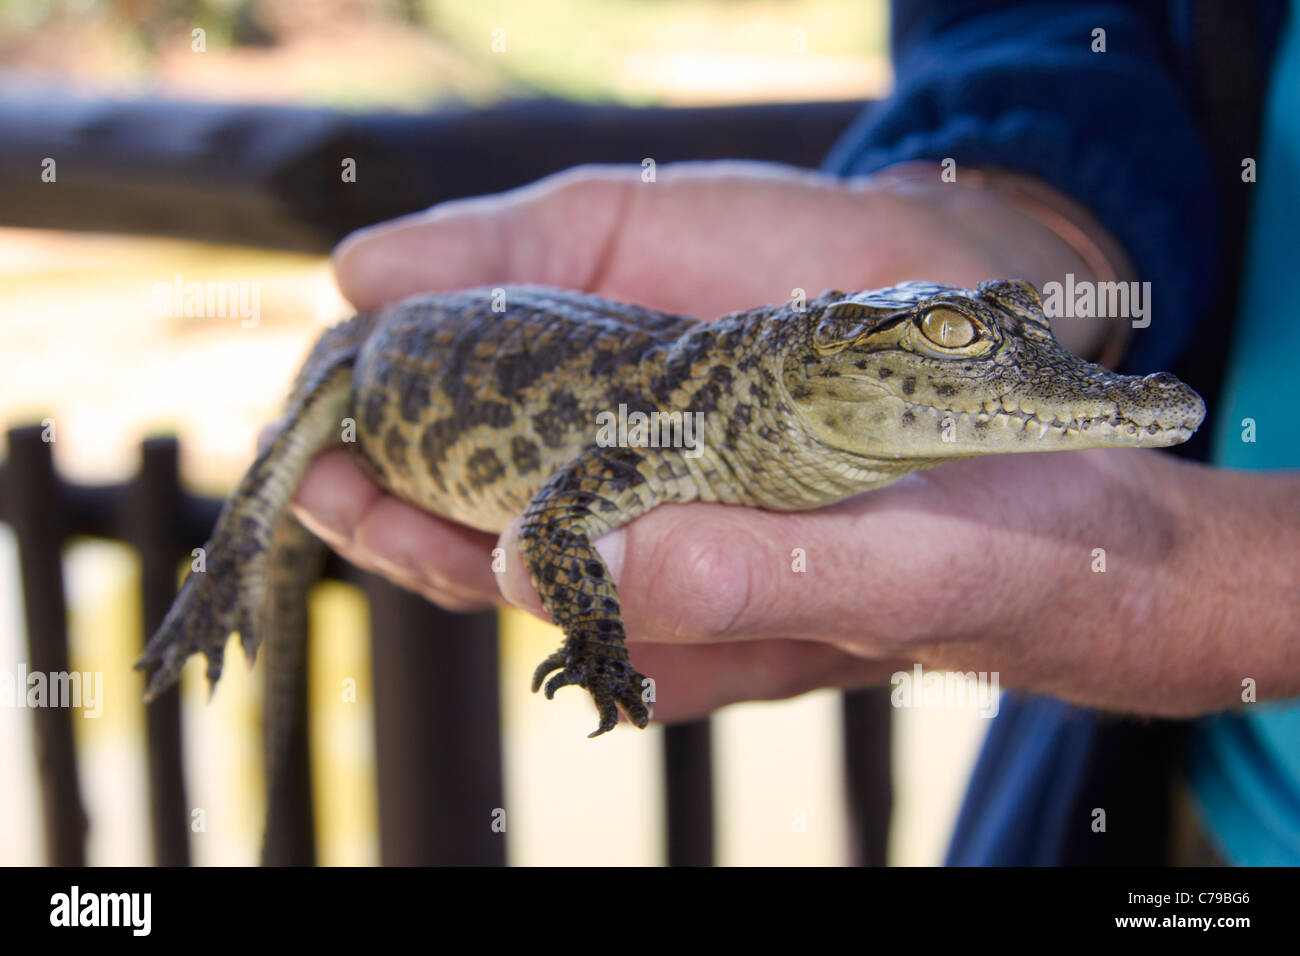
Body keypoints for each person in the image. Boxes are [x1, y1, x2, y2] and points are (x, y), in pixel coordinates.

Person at [290, 0, 1298, 864]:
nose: (1016, 372)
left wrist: (1225, 589)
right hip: (1221, 802)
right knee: (292, 466)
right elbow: (1034, 17)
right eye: (959, 333)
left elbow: (555, 529)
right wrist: (1021, 199)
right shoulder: (682, 421)